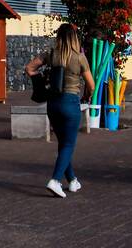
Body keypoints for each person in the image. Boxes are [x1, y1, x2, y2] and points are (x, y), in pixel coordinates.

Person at [25, 23, 95, 197]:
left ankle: (72, 181)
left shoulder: (51, 54)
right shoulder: (79, 57)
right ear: (74, 38)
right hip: (70, 102)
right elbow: (91, 85)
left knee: (63, 144)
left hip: (53, 103)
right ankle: (55, 180)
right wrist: (87, 95)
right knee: (69, 144)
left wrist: (39, 82)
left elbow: (29, 68)